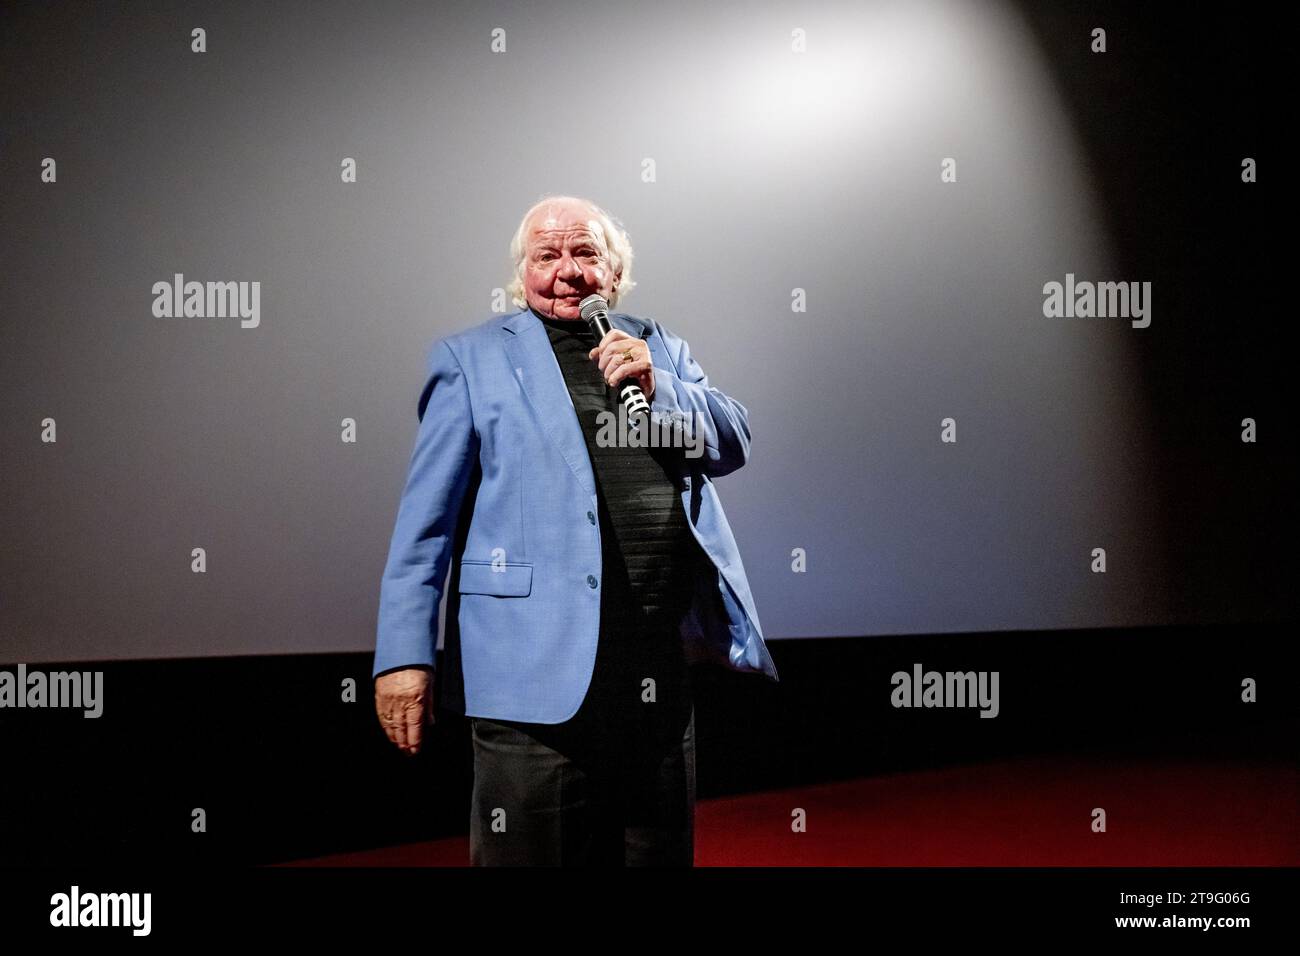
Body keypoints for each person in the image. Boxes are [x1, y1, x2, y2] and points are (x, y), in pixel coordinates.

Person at [372, 195, 778, 866]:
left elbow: (730, 441)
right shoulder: (471, 361)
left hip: (652, 675)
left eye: (586, 253)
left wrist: (661, 384)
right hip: (529, 682)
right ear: (522, 273)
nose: (567, 270)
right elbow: (425, 527)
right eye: (547, 255)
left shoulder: (657, 347)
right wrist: (404, 656)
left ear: (614, 273)